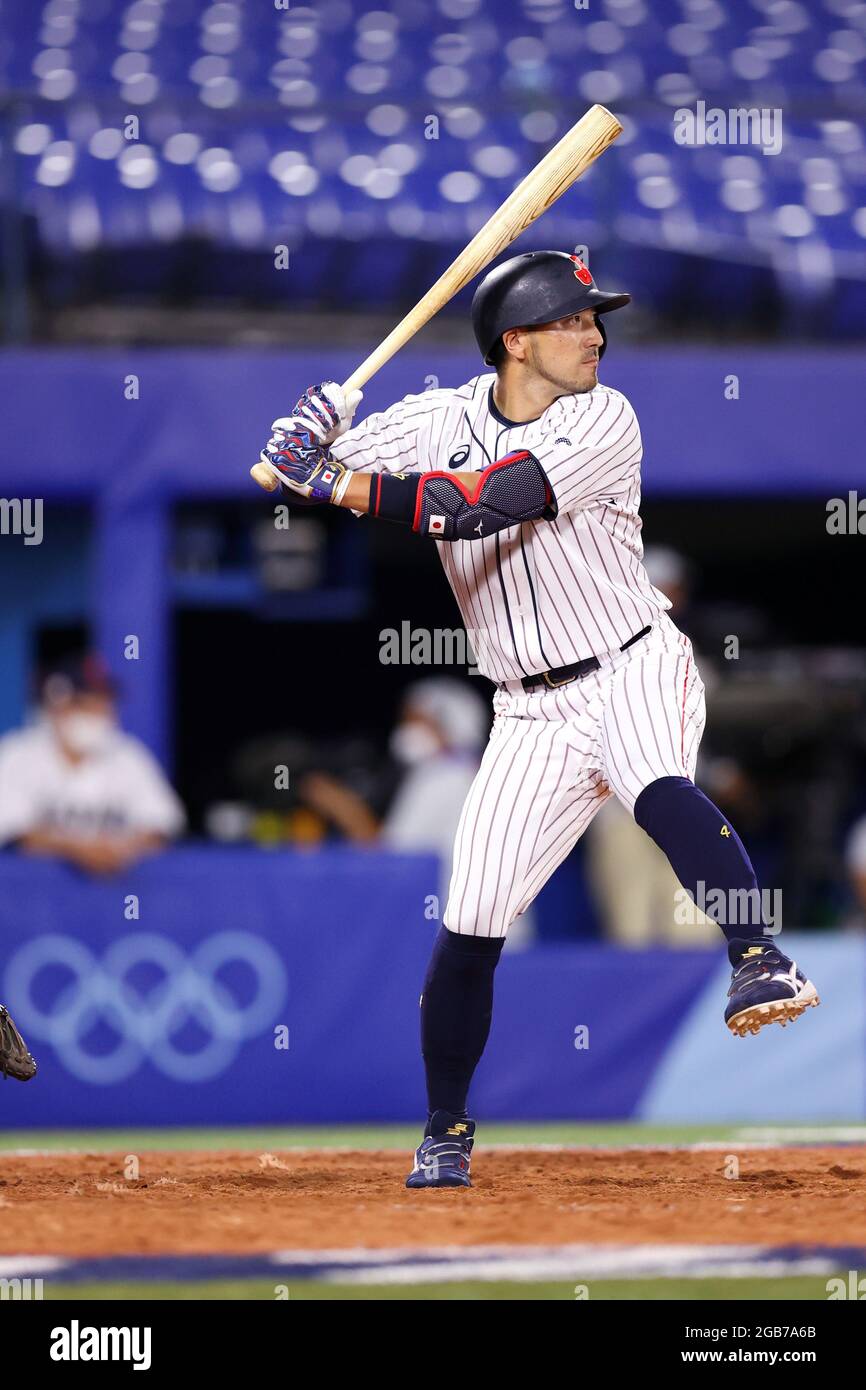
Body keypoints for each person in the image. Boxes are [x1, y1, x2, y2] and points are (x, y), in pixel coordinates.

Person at [257, 249, 820, 1189]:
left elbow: (476, 507)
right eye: (572, 320)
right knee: (472, 915)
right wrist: (307, 436)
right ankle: (445, 1131)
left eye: (595, 320)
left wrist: (328, 479)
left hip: (631, 660)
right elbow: (295, 477)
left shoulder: (605, 416)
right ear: (514, 340)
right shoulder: (436, 417)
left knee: (654, 783)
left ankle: (759, 955)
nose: (595, 333)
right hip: (526, 708)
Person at [0, 655, 185, 876]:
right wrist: (78, 849)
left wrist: (121, 849)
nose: (97, 713)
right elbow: (13, 830)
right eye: (84, 704)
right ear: (56, 705)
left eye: (102, 704)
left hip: (111, 895)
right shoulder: (18, 754)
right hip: (31, 895)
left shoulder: (128, 756)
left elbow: (161, 823)